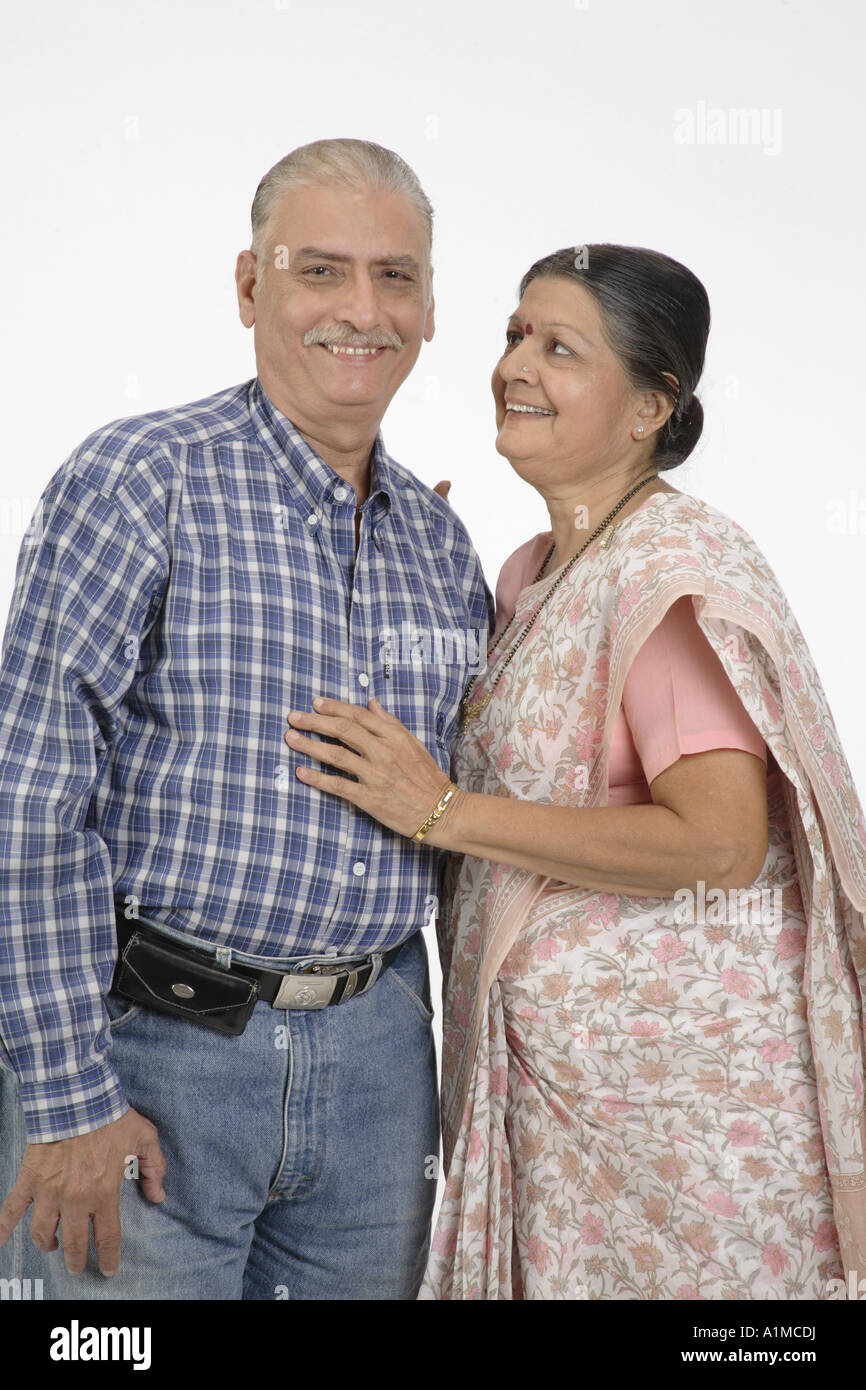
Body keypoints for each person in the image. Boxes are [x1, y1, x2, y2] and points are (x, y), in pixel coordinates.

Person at [284, 244, 866, 1300]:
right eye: (512, 335)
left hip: (677, 1137)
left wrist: (445, 812)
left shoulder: (662, 573)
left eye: (560, 348)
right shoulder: (534, 570)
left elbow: (718, 842)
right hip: (574, 1111)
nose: (515, 366)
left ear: (651, 405)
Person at [0, 137, 491, 1300]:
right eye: (319, 271)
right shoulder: (140, 479)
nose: (360, 310)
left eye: (395, 276)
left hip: (381, 1073)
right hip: (153, 1049)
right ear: (247, 285)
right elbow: (26, 797)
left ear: (428, 307)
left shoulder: (440, 543)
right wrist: (67, 1098)